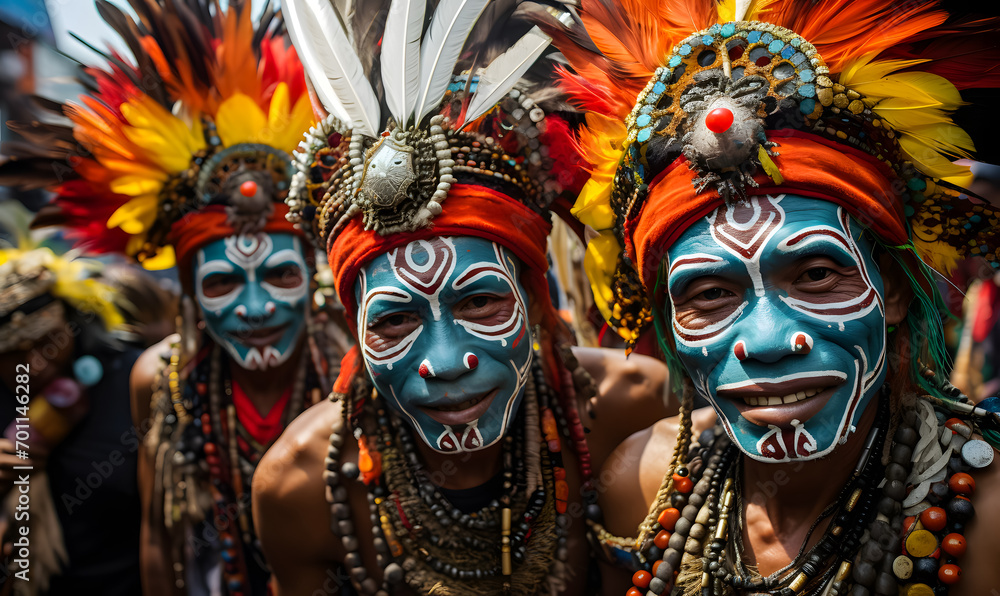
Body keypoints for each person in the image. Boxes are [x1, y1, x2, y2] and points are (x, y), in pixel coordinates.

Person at [550, 0, 1000, 594]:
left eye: (815, 275)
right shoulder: (641, 484)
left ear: (889, 288)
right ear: (669, 322)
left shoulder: (987, 518)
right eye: (710, 293)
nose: (766, 342)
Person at [251, 1, 671, 594]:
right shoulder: (300, 484)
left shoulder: (631, 412)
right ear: (354, 330)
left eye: (478, 303)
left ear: (535, 297)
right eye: (394, 320)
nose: (445, 362)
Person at [0, 2, 341, 594]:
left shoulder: (351, 366)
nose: (256, 309)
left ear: (312, 276)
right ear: (187, 295)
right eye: (223, 283)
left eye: (280, 276)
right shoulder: (157, 380)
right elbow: (161, 537)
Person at [0, 239, 140, 596]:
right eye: (14, 354)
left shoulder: (132, 378)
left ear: (74, 323)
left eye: (48, 341)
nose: (36, 365)